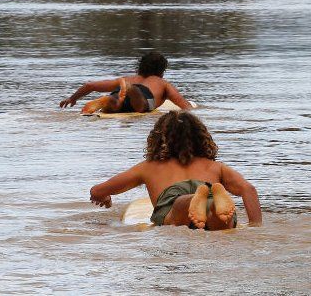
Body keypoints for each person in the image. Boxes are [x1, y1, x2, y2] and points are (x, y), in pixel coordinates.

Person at [89, 110, 262, 229]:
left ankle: (189, 200)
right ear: (200, 137)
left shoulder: (149, 168)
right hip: (208, 188)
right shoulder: (215, 167)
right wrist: (256, 226)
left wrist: (104, 197)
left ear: (159, 138)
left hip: (174, 197)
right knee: (219, 220)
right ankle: (213, 204)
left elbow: (97, 191)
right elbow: (249, 190)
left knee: (175, 211)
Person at [59, 51, 192, 114]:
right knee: (140, 105)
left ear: (140, 67)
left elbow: (90, 85)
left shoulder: (128, 78)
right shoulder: (162, 83)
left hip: (120, 91)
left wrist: (72, 98)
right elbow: (184, 105)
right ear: (162, 71)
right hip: (142, 96)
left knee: (115, 102)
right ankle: (131, 90)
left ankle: (111, 99)